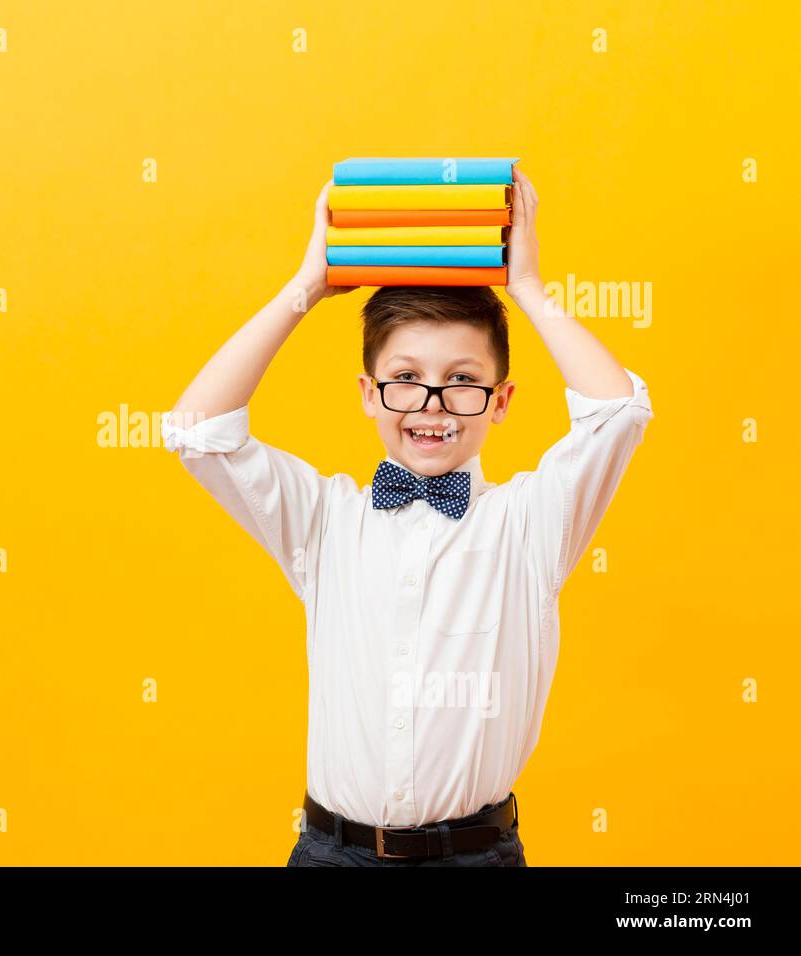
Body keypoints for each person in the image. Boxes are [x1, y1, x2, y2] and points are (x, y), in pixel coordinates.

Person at [160, 167, 654, 866]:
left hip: (476, 855)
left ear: (502, 399)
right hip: (331, 853)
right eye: (404, 379)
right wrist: (307, 288)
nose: (430, 404)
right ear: (368, 393)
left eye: (462, 381)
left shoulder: (529, 525)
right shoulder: (324, 523)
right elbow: (196, 429)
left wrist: (529, 291)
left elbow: (620, 414)